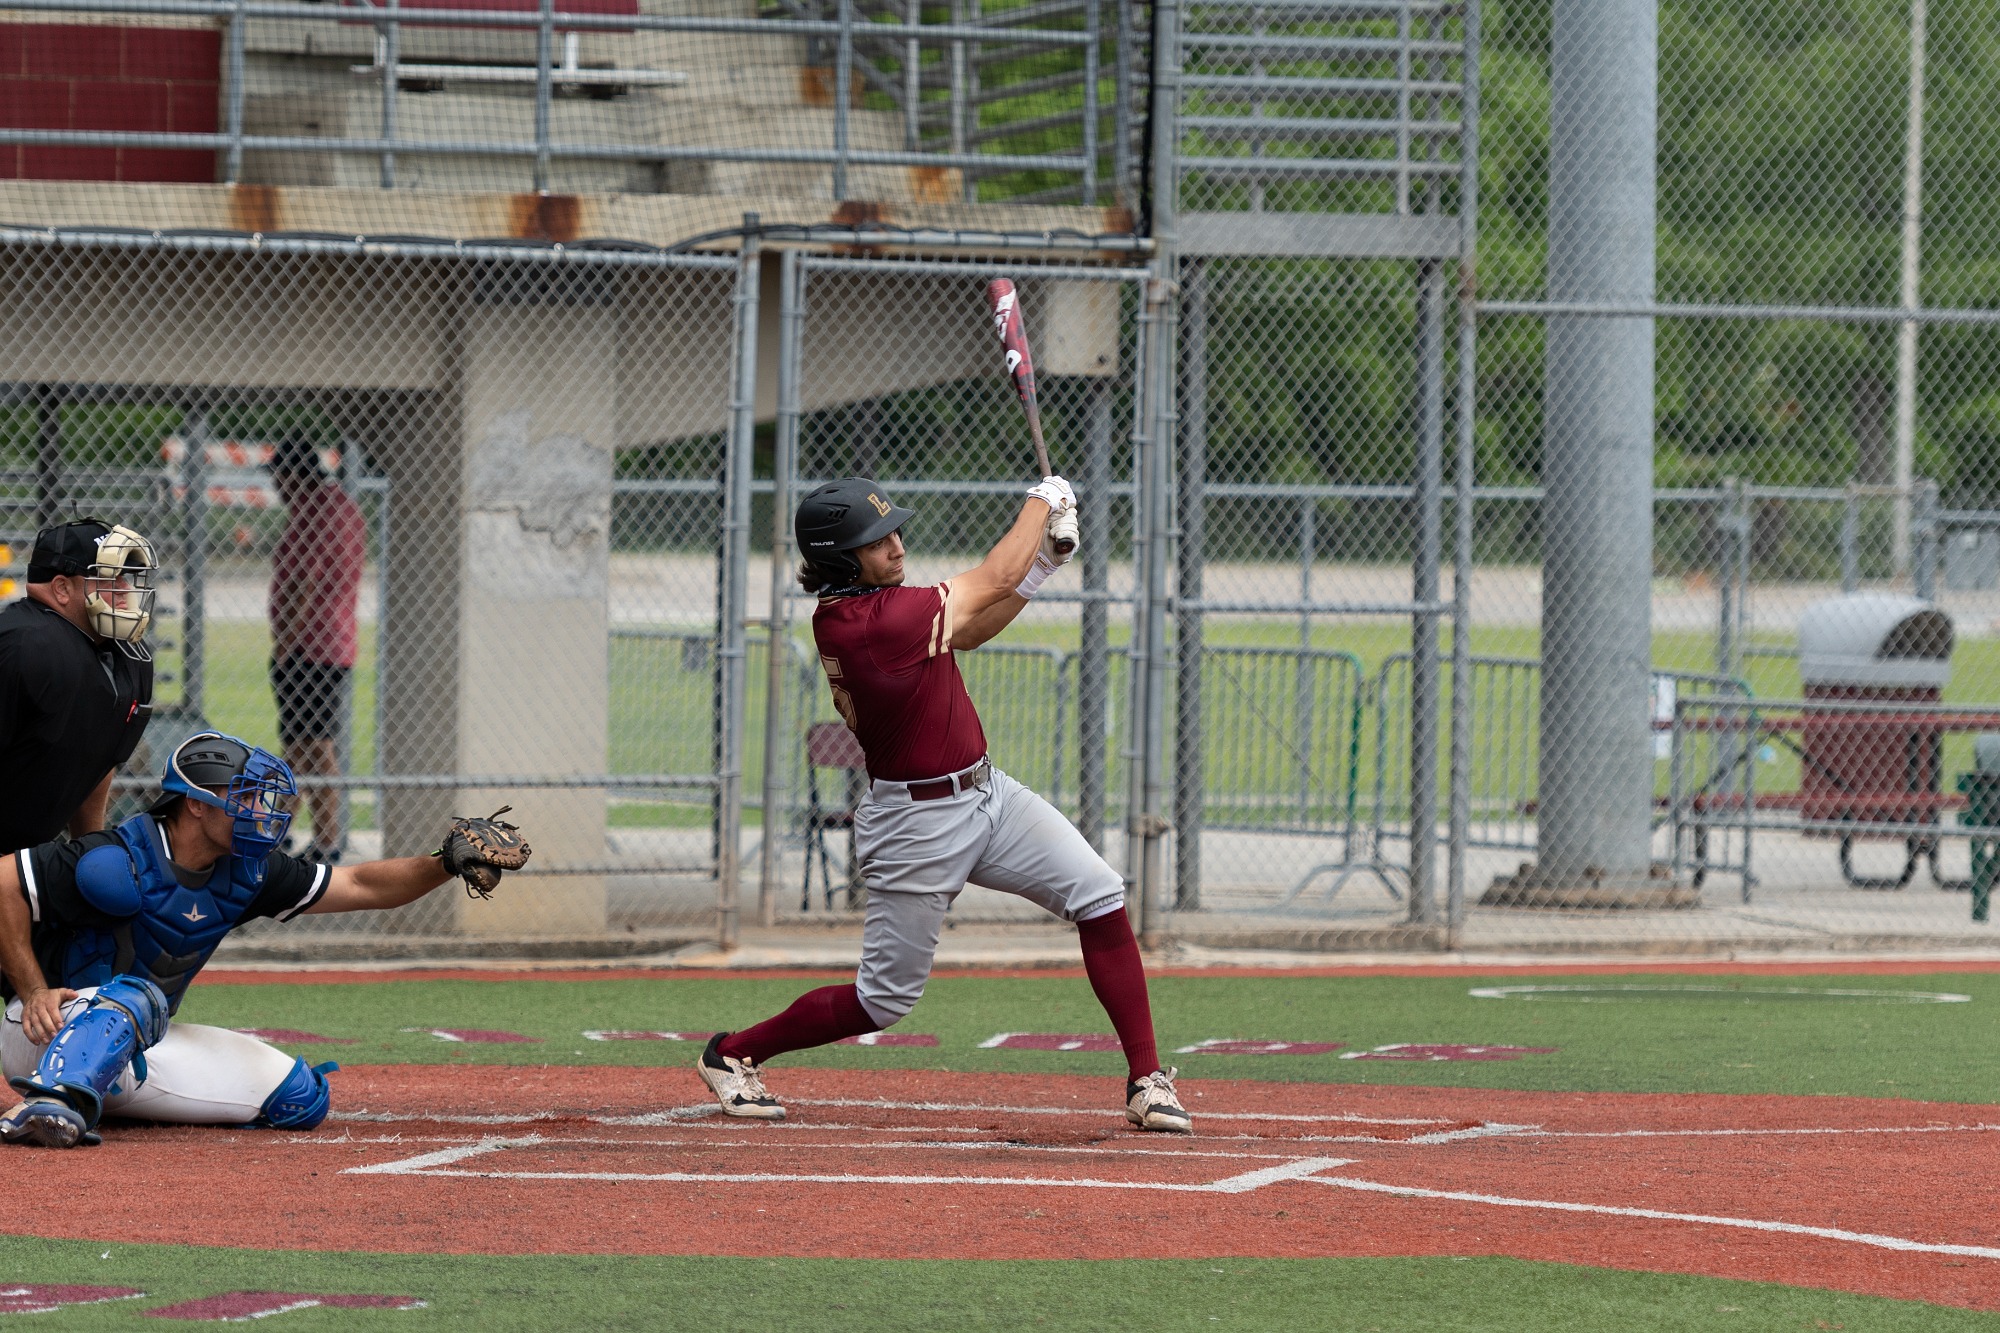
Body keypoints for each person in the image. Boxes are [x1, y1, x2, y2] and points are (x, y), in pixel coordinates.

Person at [694, 476, 1191, 1134]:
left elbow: (973, 626)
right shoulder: (869, 624)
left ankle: (1146, 1079)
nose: (896, 545)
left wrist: (1042, 566)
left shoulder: (888, 608)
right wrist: (1042, 502)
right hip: (917, 823)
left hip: (989, 794)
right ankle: (731, 1053)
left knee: (1099, 892)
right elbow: (990, 576)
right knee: (882, 1001)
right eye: (876, 541)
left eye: (894, 531)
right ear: (843, 558)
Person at [0, 731, 530, 1148]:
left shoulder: (247, 870)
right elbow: (2, 883)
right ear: (196, 805)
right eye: (244, 797)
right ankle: (49, 1105)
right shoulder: (115, 860)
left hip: (136, 1040)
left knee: (301, 1099)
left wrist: (444, 862)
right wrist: (33, 989)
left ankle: (85, 1099)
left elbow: (361, 884)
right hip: (42, 1034)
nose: (261, 811)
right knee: (139, 995)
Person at [0, 517, 157, 856]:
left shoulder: (126, 656)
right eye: (107, 579)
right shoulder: (23, 647)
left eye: (125, 579)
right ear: (61, 589)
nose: (125, 591)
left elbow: (95, 763)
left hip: (25, 855)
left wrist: (90, 851)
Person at [265, 435, 366, 861]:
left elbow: (303, 583)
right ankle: (281, 832)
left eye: (279, 479)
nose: (276, 489)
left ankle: (326, 842)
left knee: (315, 747)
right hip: (330, 643)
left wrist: (285, 643)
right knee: (299, 744)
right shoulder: (340, 506)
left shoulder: (313, 512)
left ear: (292, 477)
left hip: (310, 648)